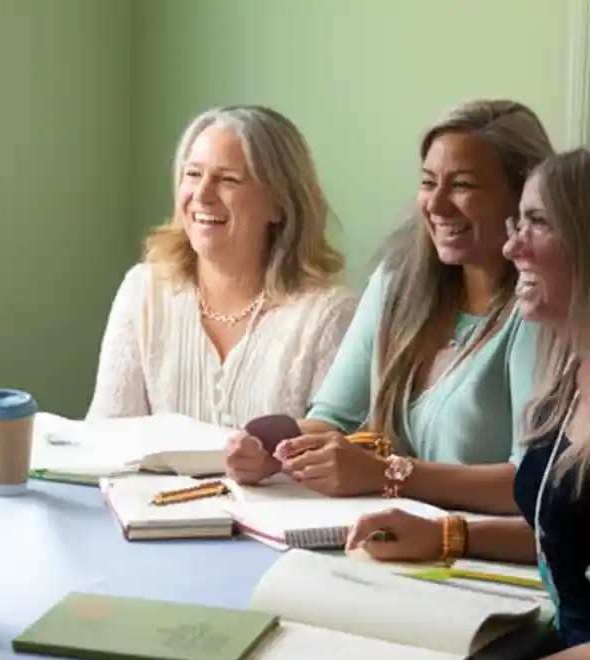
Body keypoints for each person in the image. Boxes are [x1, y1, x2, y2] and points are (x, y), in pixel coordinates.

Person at [349, 148, 590, 660]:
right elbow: (562, 537)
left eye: (536, 224)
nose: (512, 247)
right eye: (515, 224)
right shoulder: (569, 376)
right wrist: (445, 537)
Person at [226, 99, 554, 515]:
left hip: (483, 560)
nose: (436, 205)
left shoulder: (543, 309)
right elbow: (334, 420)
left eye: (463, 185)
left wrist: (388, 474)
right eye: (428, 182)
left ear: (524, 194)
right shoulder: (396, 282)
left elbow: (534, 486)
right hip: (390, 544)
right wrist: (271, 450)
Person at [87, 105, 356, 428]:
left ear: (279, 205)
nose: (202, 195)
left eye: (228, 179)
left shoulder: (329, 316)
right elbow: (107, 435)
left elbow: (335, 456)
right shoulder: (143, 290)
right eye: (193, 174)